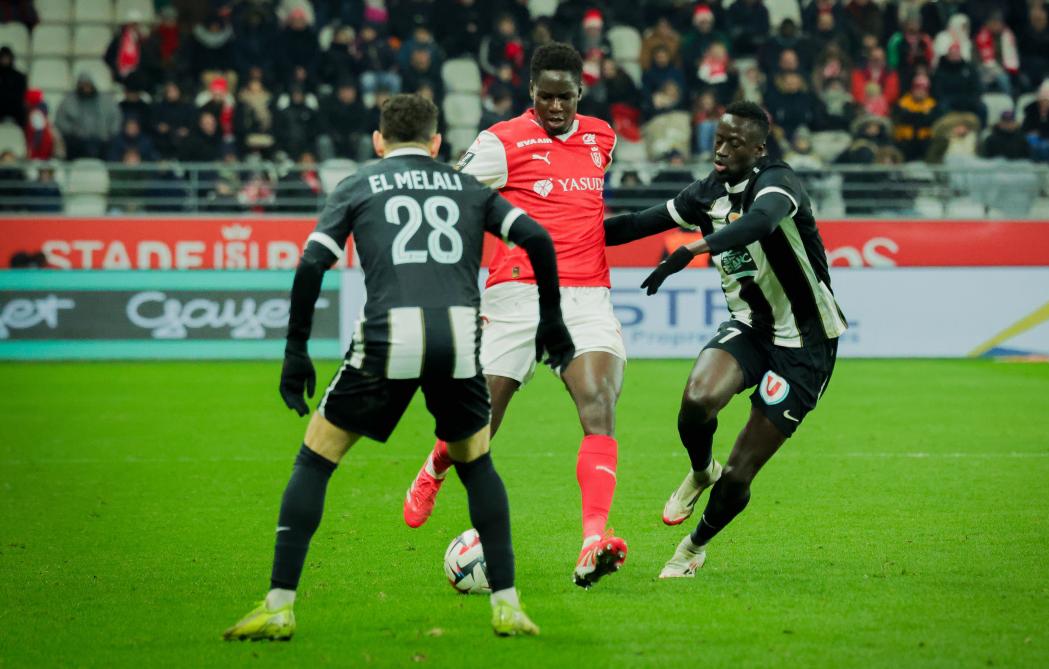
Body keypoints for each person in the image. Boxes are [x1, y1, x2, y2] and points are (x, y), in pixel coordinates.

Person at [222, 93, 573, 641]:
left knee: (315, 461)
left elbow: (314, 261)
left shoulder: (360, 183)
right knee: (477, 465)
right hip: (460, 338)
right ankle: (507, 605)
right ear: (437, 143)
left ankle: (279, 605)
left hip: (389, 336)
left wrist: (296, 351)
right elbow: (536, 237)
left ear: (378, 140)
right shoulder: (467, 187)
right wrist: (552, 321)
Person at [400, 43, 629, 589]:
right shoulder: (499, 143)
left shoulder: (602, 137)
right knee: (478, 424)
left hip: (585, 296)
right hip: (516, 295)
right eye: (545, 96)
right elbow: (452, 202)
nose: (555, 107)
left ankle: (592, 539)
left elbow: (590, 215)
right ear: (531, 93)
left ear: (580, 93)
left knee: (598, 402)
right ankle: (435, 467)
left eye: (565, 97)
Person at [601, 101, 846, 578]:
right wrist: (561, 233)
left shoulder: (778, 182)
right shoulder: (706, 193)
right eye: (718, 136)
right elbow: (636, 223)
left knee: (740, 472)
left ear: (758, 149)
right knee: (696, 400)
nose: (721, 147)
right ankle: (698, 471)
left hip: (807, 343)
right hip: (753, 326)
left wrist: (692, 247)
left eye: (734, 142)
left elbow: (759, 222)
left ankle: (691, 549)